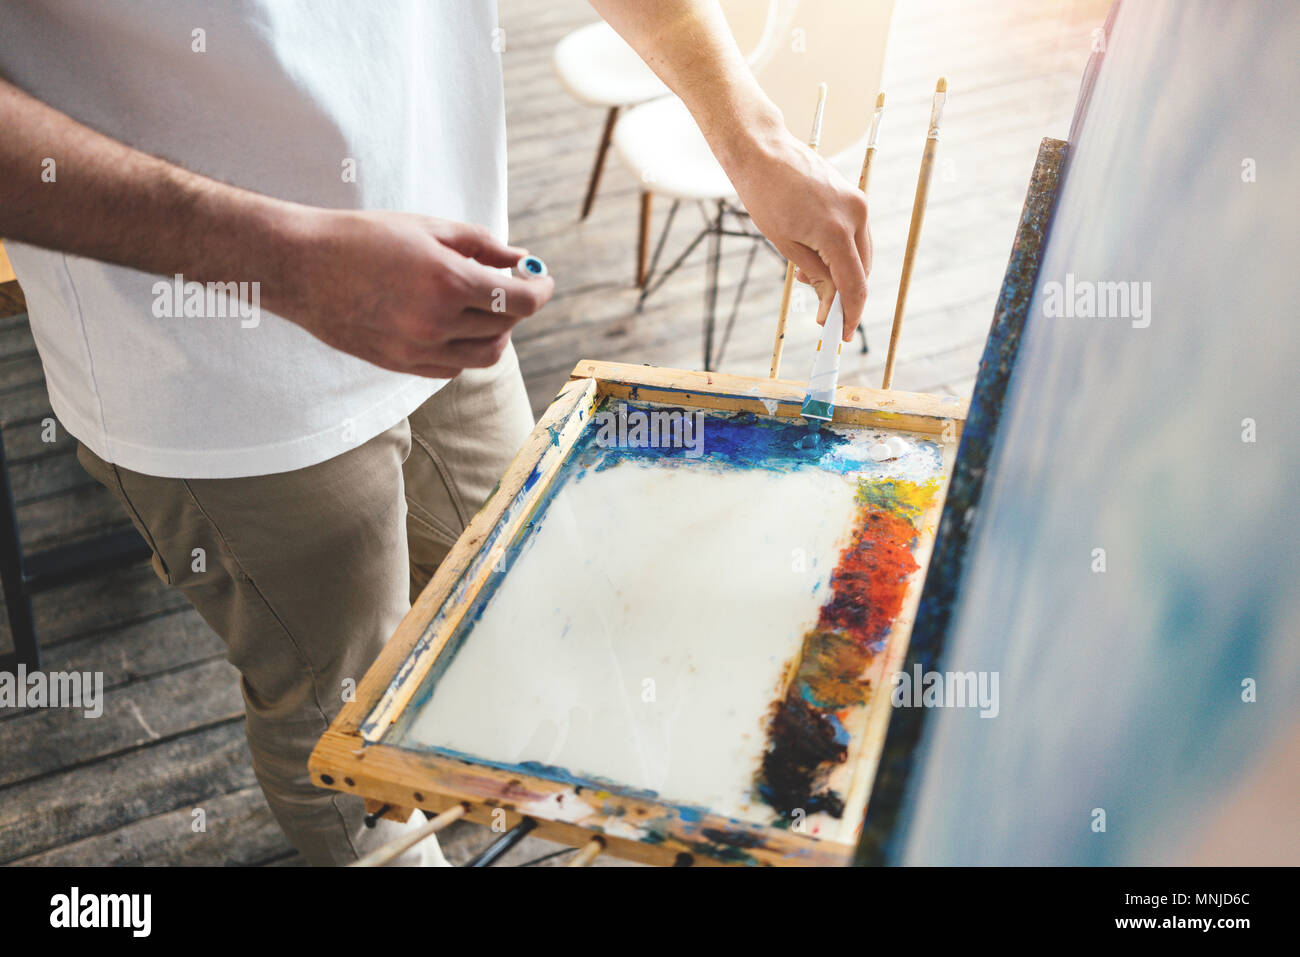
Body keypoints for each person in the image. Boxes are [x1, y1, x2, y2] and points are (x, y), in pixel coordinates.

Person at [0, 0, 871, 865]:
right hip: (214, 359)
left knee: (525, 617)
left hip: (454, 276)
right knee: (340, 721)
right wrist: (286, 260)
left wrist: (750, 132)